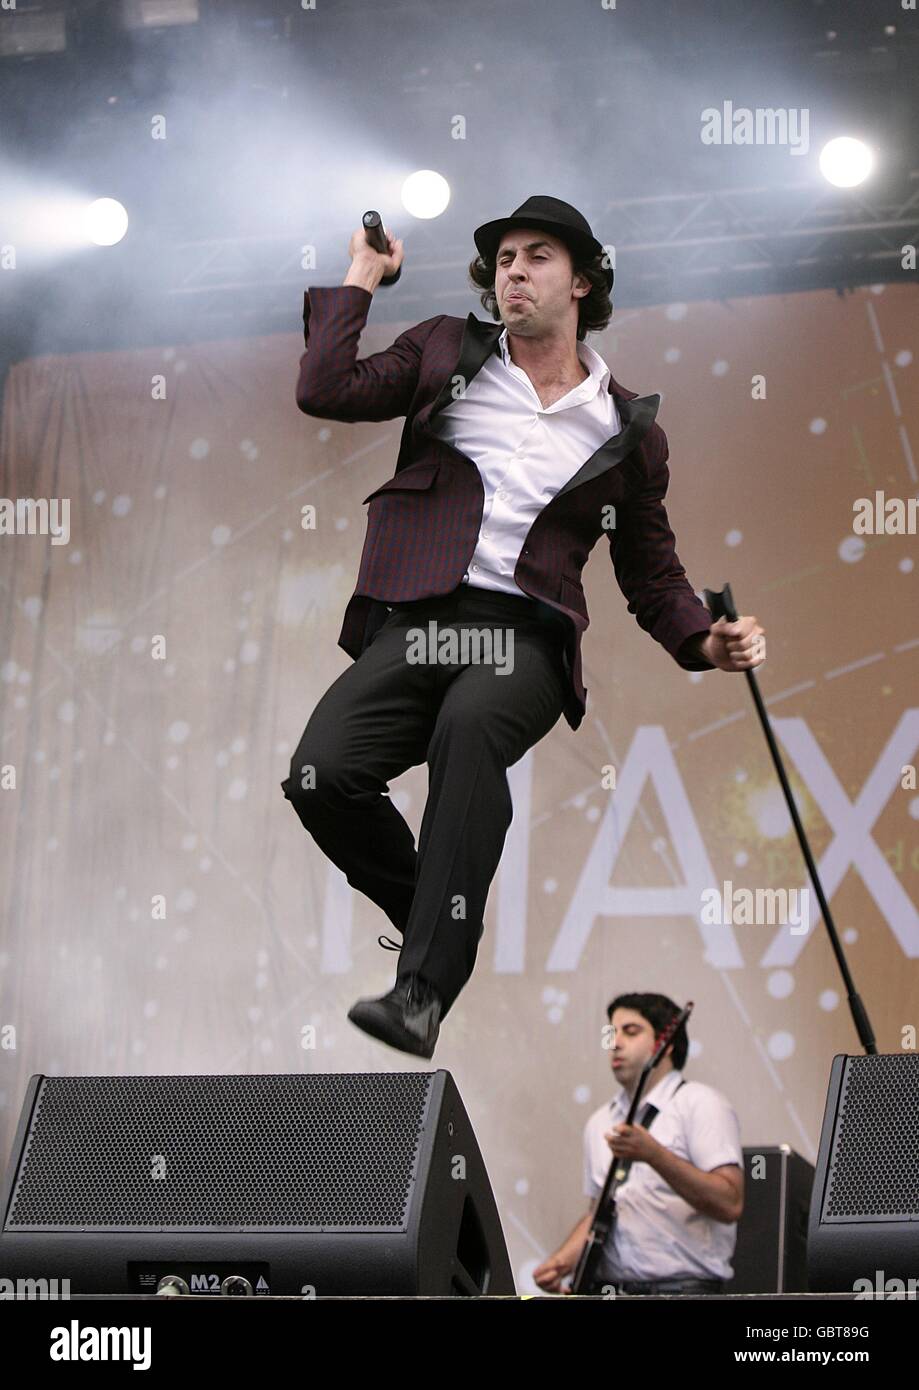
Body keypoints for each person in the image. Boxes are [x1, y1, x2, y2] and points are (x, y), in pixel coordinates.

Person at [280, 196, 766, 1059]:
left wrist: (704, 641)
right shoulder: (443, 351)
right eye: (503, 259)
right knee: (321, 776)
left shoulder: (624, 427)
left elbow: (650, 576)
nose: (514, 272)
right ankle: (435, 908)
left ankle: (422, 991)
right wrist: (363, 271)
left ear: (581, 282)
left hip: (525, 639)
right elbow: (324, 388)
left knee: (469, 732)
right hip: (422, 622)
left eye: (536, 257)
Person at [534, 993, 744, 1296]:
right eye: (612, 1033)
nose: (615, 1043)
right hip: (609, 1291)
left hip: (682, 1291)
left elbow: (730, 1202)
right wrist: (561, 1262)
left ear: (665, 1044)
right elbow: (600, 1212)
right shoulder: (599, 1122)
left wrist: (653, 1154)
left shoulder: (700, 1103)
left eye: (631, 1032)